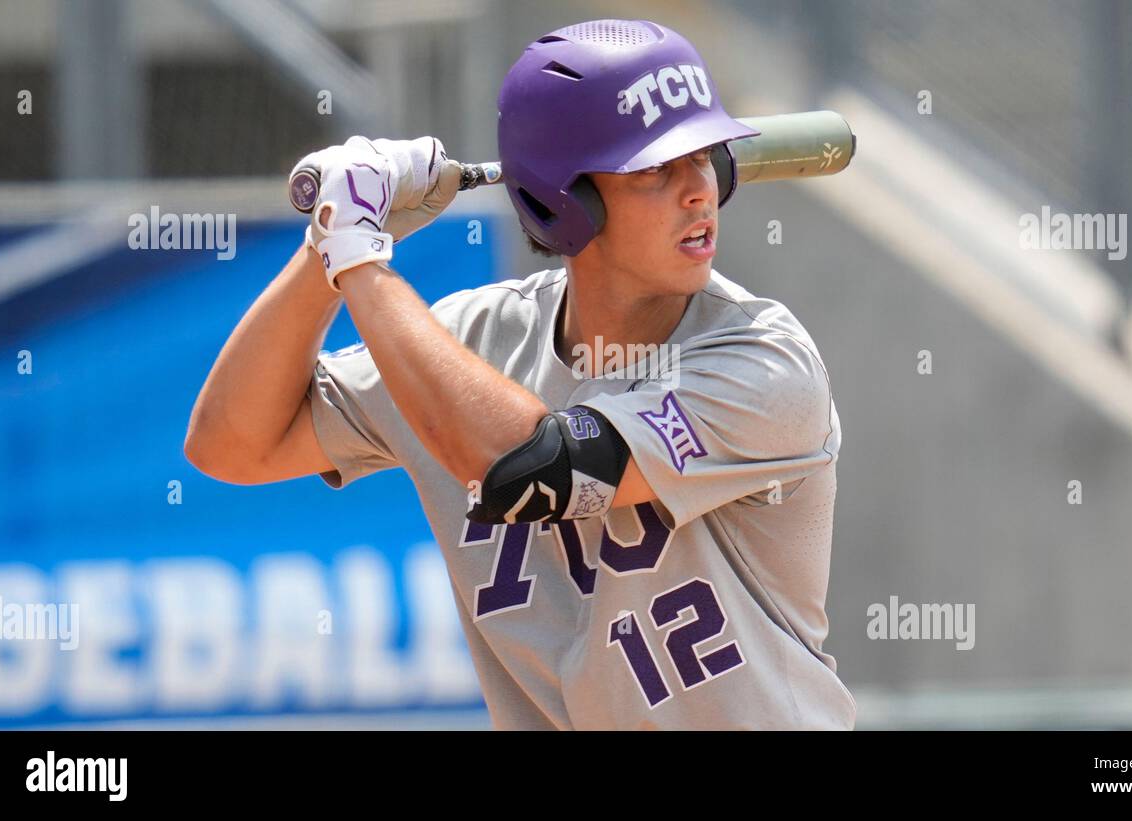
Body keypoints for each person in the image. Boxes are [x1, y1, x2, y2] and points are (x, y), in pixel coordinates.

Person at [185, 18, 855, 730]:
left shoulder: (764, 359)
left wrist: (360, 261)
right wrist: (326, 244)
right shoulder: (472, 342)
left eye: (708, 156)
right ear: (567, 202)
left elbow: (535, 468)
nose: (700, 191)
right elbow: (231, 443)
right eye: (657, 167)